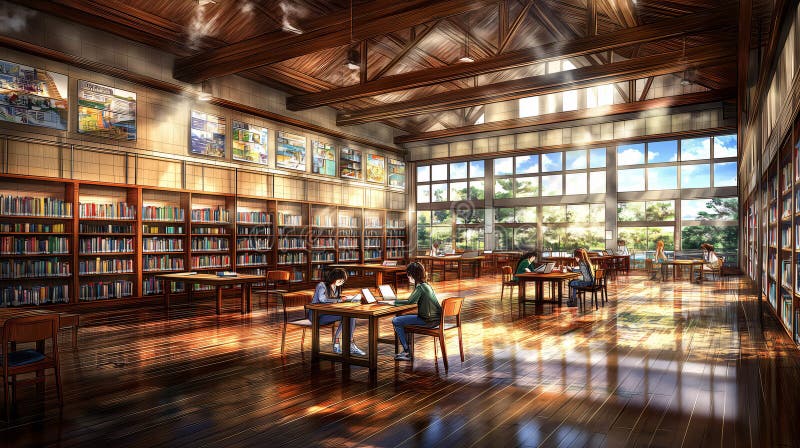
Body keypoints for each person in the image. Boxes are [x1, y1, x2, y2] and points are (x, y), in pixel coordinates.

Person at [392, 262, 443, 361]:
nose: (408, 277)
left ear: (413, 275)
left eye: (408, 274)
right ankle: (407, 351)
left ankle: (407, 351)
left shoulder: (420, 287)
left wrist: (393, 302)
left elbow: (410, 302)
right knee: (404, 320)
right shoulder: (427, 285)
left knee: (397, 321)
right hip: (436, 320)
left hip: (428, 321)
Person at [310, 268, 365, 355]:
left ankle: (346, 342)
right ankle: (339, 341)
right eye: (340, 280)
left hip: (328, 313)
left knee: (351, 316)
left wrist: (345, 299)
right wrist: (339, 300)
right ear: (334, 277)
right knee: (347, 316)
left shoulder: (336, 287)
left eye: (343, 281)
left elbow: (335, 299)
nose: (342, 282)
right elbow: (322, 299)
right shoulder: (322, 285)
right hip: (317, 315)